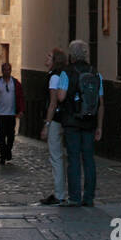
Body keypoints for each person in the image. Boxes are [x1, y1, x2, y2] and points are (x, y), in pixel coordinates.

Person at [55, 39, 104, 207]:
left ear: (71, 55)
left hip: (72, 121)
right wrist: (99, 126)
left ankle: (75, 197)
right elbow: (100, 101)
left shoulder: (66, 73)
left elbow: (61, 96)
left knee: (74, 158)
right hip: (90, 121)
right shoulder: (95, 73)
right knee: (89, 159)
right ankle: (89, 197)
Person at [39, 48, 67, 205]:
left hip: (56, 120)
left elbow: (52, 103)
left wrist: (46, 124)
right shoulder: (63, 75)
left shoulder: (53, 78)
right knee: (62, 158)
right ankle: (62, 191)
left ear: (55, 60)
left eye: (49, 56)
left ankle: (59, 193)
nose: (46, 58)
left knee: (55, 156)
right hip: (66, 119)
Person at [0, 60, 24, 165]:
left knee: (11, 135)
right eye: (5, 70)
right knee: (2, 135)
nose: (7, 72)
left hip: (12, 113)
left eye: (8, 70)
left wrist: (21, 110)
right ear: (2, 71)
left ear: (11, 71)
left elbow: (20, 97)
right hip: (0, 114)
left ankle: (8, 151)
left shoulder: (15, 83)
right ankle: (3, 156)